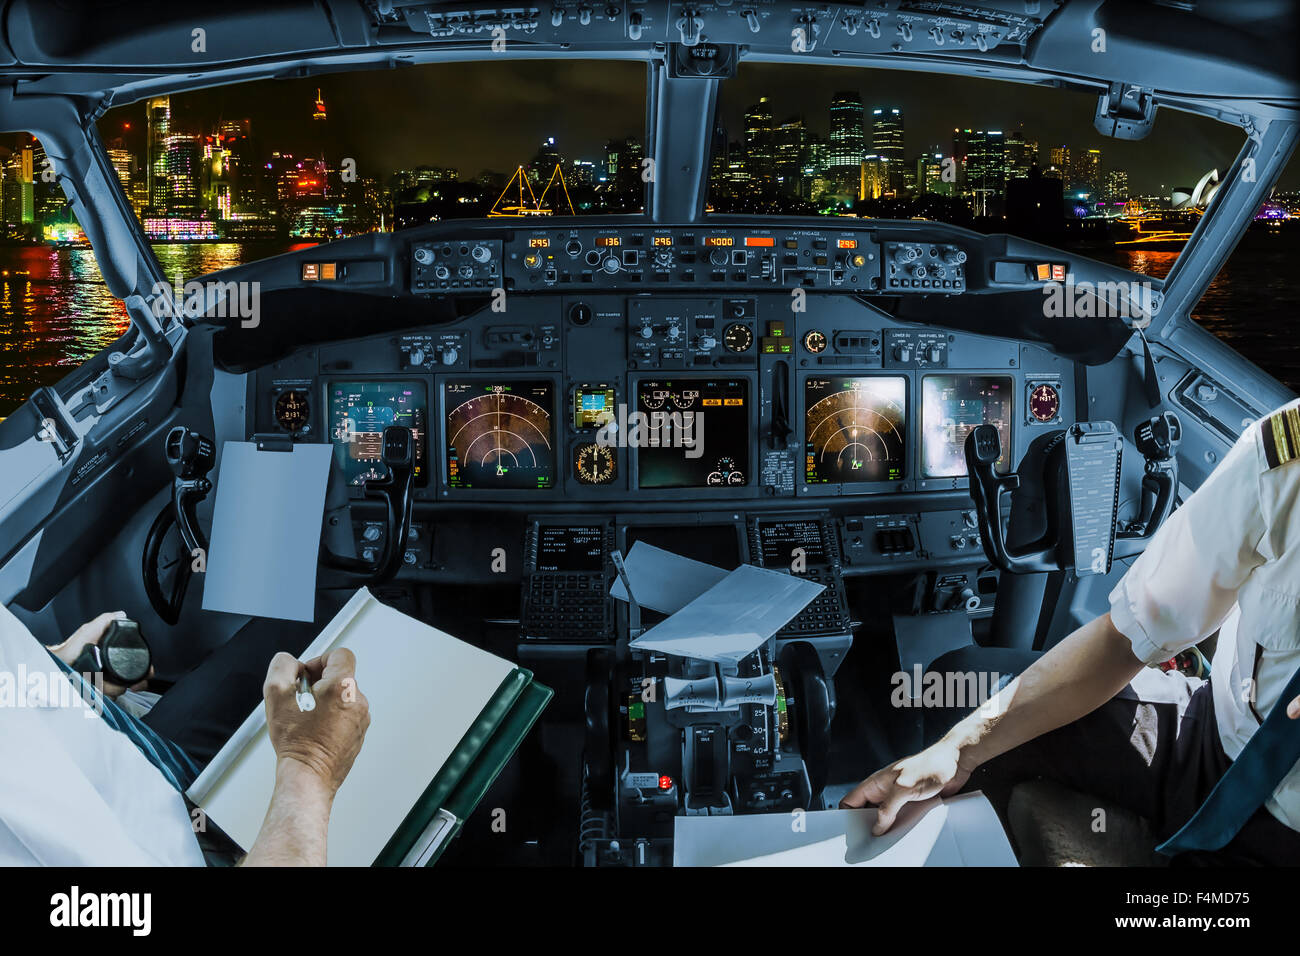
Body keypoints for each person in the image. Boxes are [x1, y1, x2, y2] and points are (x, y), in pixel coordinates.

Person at [843, 399, 1300, 865]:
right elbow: (1126, 637)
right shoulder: (1284, 461)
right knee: (964, 684)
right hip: (1212, 743)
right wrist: (958, 752)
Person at [0, 604, 369, 866]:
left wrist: (67, 675)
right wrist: (311, 765)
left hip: (145, 760)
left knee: (314, 616)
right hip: (200, 844)